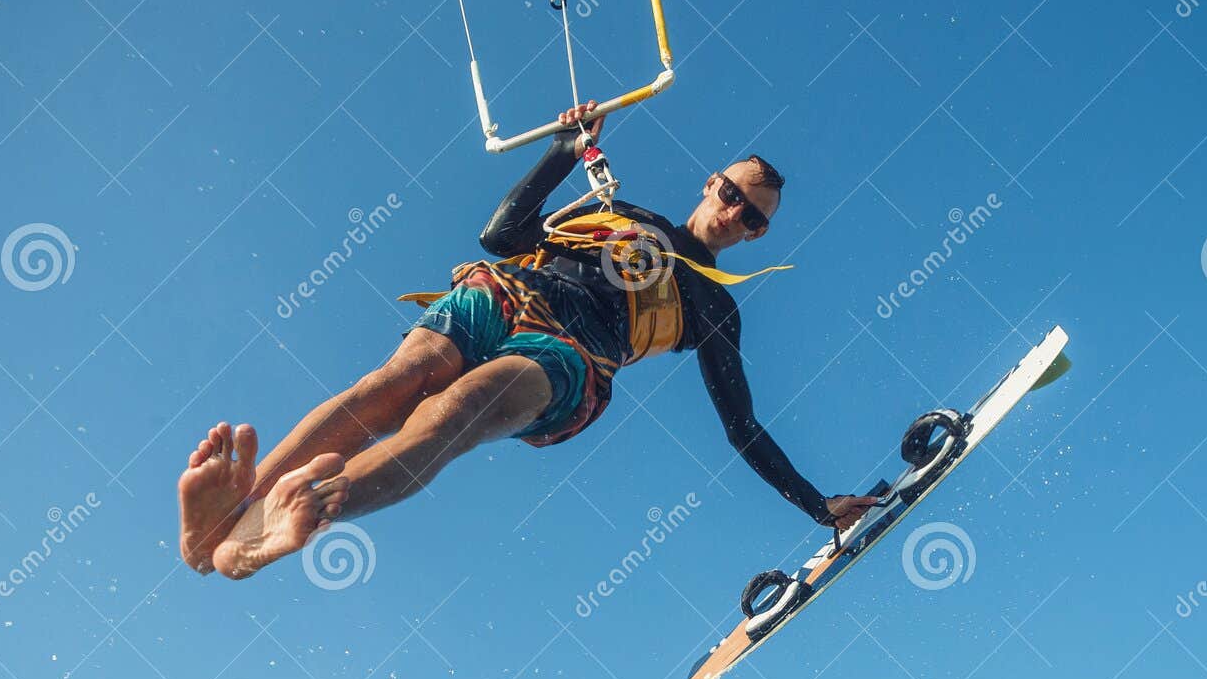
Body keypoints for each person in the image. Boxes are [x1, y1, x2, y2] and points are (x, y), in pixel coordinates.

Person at [178, 102, 877, 580]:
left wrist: (819, 506)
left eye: (754, 220)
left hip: (570, 357)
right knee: (394, 384)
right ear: (712, 183)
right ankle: (228, 523)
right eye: (733, 195)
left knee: (455, 414)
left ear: (758, 235)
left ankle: (303, 514)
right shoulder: (621, 210)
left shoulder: (715, 308)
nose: (735, 215)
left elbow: (742, 426)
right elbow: (502, 236)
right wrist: (561, 154)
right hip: (505, 292)